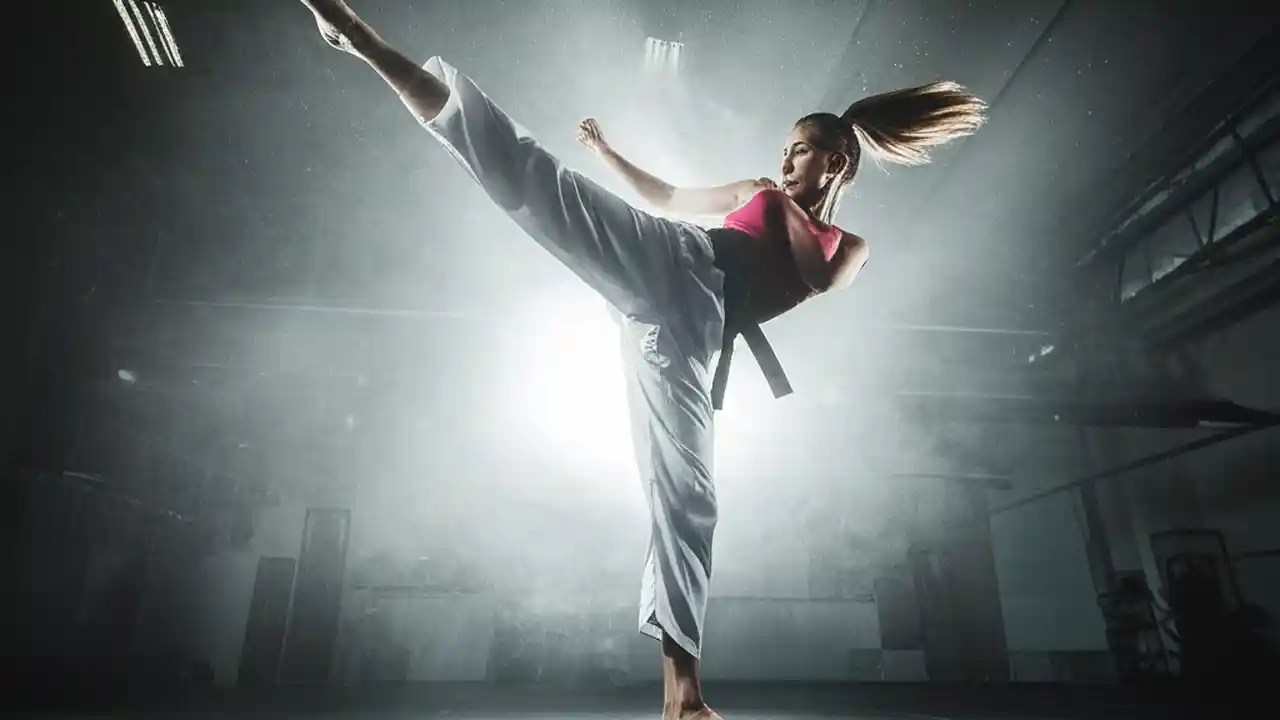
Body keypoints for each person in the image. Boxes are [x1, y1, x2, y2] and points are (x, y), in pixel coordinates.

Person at [296, 2, 986, 717]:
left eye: (801, 150)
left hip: (693, 332)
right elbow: (667, 196)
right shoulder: (756, 190)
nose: (784, 161)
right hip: (676, 256)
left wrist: (782, 207)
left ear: (836, 162)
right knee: (530, 176)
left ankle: (681, 699)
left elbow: (815, 278)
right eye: (786, 148)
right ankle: (362, 37)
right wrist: (605, 154)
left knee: (691, 498)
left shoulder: (848, 245)